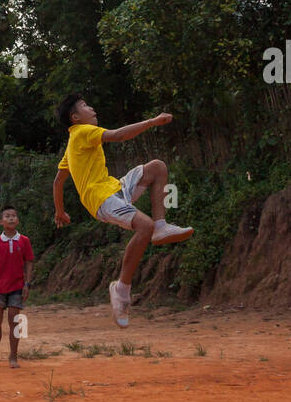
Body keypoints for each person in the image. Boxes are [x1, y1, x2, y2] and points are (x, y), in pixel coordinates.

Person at [52, 96, 193, 328]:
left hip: (115, 188)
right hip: (101, 199)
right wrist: (152, 121)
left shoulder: (72, 142)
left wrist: (60, 211)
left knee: (157, 168)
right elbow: (118, 135)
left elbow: (58, 182)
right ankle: (121, 289)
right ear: (75, 117)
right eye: (86, 106)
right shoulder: (82, 131)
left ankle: (161, 226)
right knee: (143, 226)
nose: (92, 107)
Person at [0, 206, 34, 369]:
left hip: (17, 285)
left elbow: (29, 262)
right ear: (1, 222)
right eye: (7, 216)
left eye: (13, 216)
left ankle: (13, 356)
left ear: (17, 220)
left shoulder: (24, 240)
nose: (11, 218)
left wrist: (27, 284)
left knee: (15, 318)